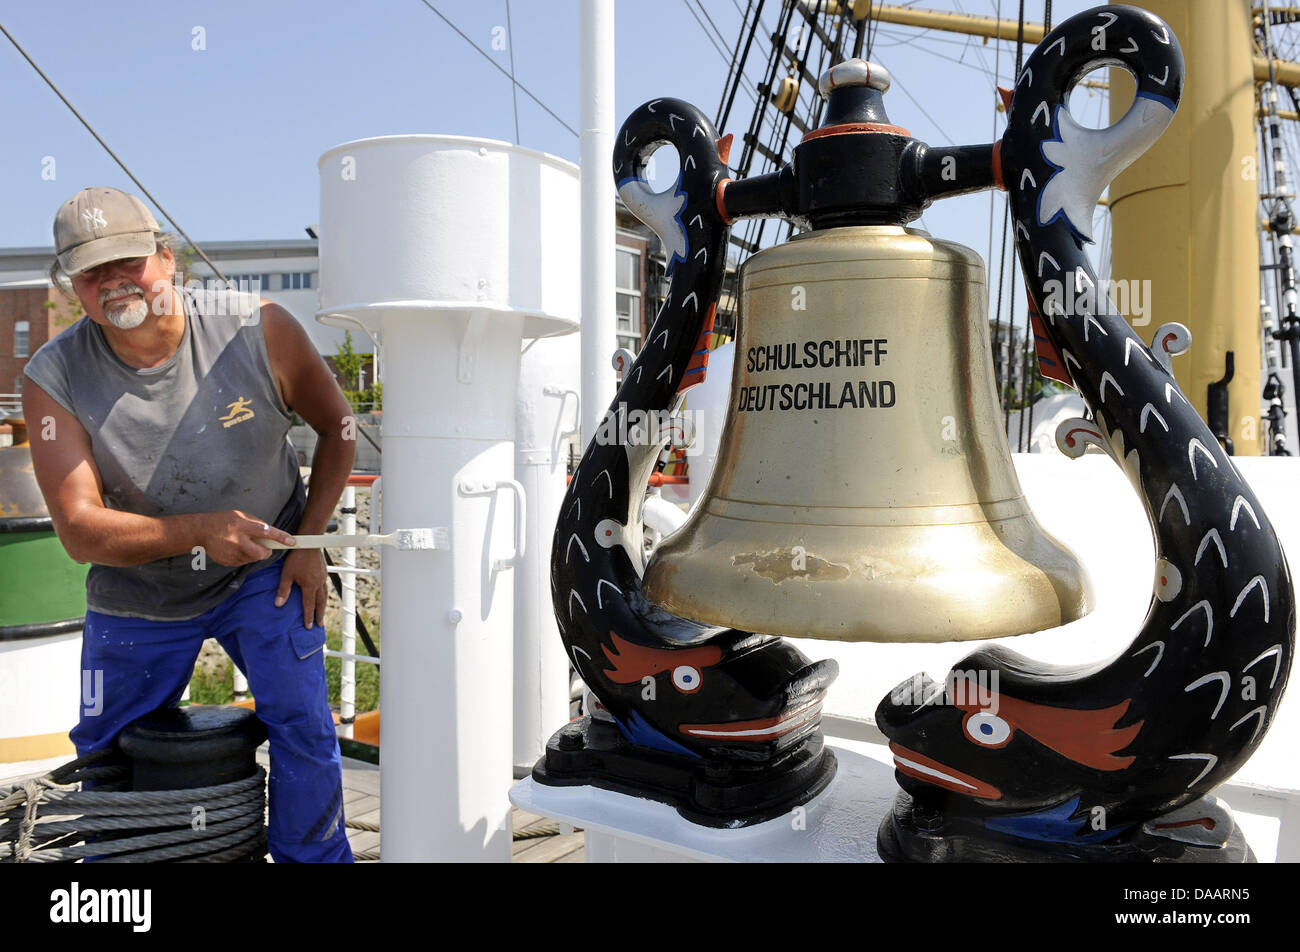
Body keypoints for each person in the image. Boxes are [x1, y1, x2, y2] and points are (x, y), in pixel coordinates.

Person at [22, 186, 356, 863]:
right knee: (104, 748)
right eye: (91, 271)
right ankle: (118, 880)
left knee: (302, 726)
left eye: (129, 261)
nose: (114, 281)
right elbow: (82, 532)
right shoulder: (52, 376)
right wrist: (198, 530)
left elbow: (339, 429)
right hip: (134, 592)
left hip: (266, 571)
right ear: (72, 286)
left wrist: (311, 544)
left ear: (166, 259)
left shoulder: (260, 328)